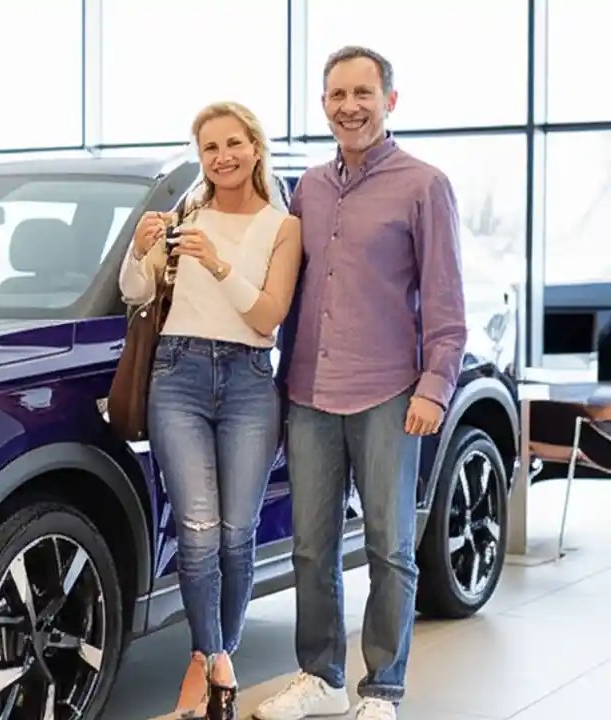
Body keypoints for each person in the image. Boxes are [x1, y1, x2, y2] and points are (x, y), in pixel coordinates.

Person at [253, 46, 467, 720]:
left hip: (389, 393)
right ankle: (320, 675)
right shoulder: (308, 189)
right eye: (337, 95)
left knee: (389, 546)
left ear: (390, 101)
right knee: (311, 546)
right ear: (324, 105)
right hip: (310, 391)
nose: (349, 106)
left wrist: (434, 386)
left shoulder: (424, 184)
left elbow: (444, 301)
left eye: (363, 94)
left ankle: (383, 688)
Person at [120, 101, 302, 719]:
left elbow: (267, 316)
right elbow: (137, 294)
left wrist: (218, 263)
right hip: (178, 375)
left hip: (250, 380)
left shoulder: (282, 226)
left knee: (236, 533)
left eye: (232, 143)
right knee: (197, 531)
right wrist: (139, 249)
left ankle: (209, 660)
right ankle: (217, 657)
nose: (221, 157)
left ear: (254, 146)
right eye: (208, 149)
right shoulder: (182, 216)